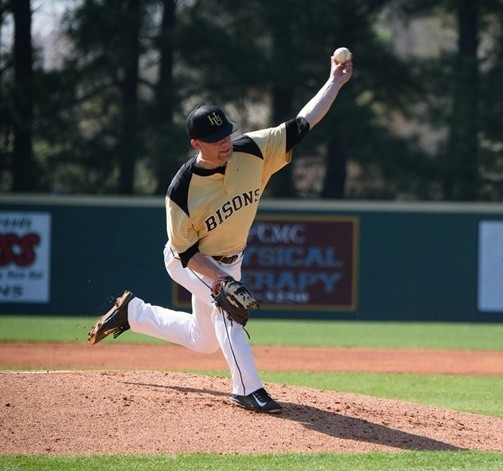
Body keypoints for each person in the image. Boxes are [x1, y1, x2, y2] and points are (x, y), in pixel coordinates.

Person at [88, 54, 353, 414]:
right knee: (228, 307)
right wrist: (221, 282)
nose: (225, 141)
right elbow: (185, 253)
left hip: (232, 258)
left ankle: (133, 313)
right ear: (197, 144)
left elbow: (303, 123)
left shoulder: (254, 150)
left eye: (226, 132)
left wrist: (334, 82)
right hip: (191, 260)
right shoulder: (181, 192)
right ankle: (247, 389)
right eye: (215, 139)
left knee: (203, 341)